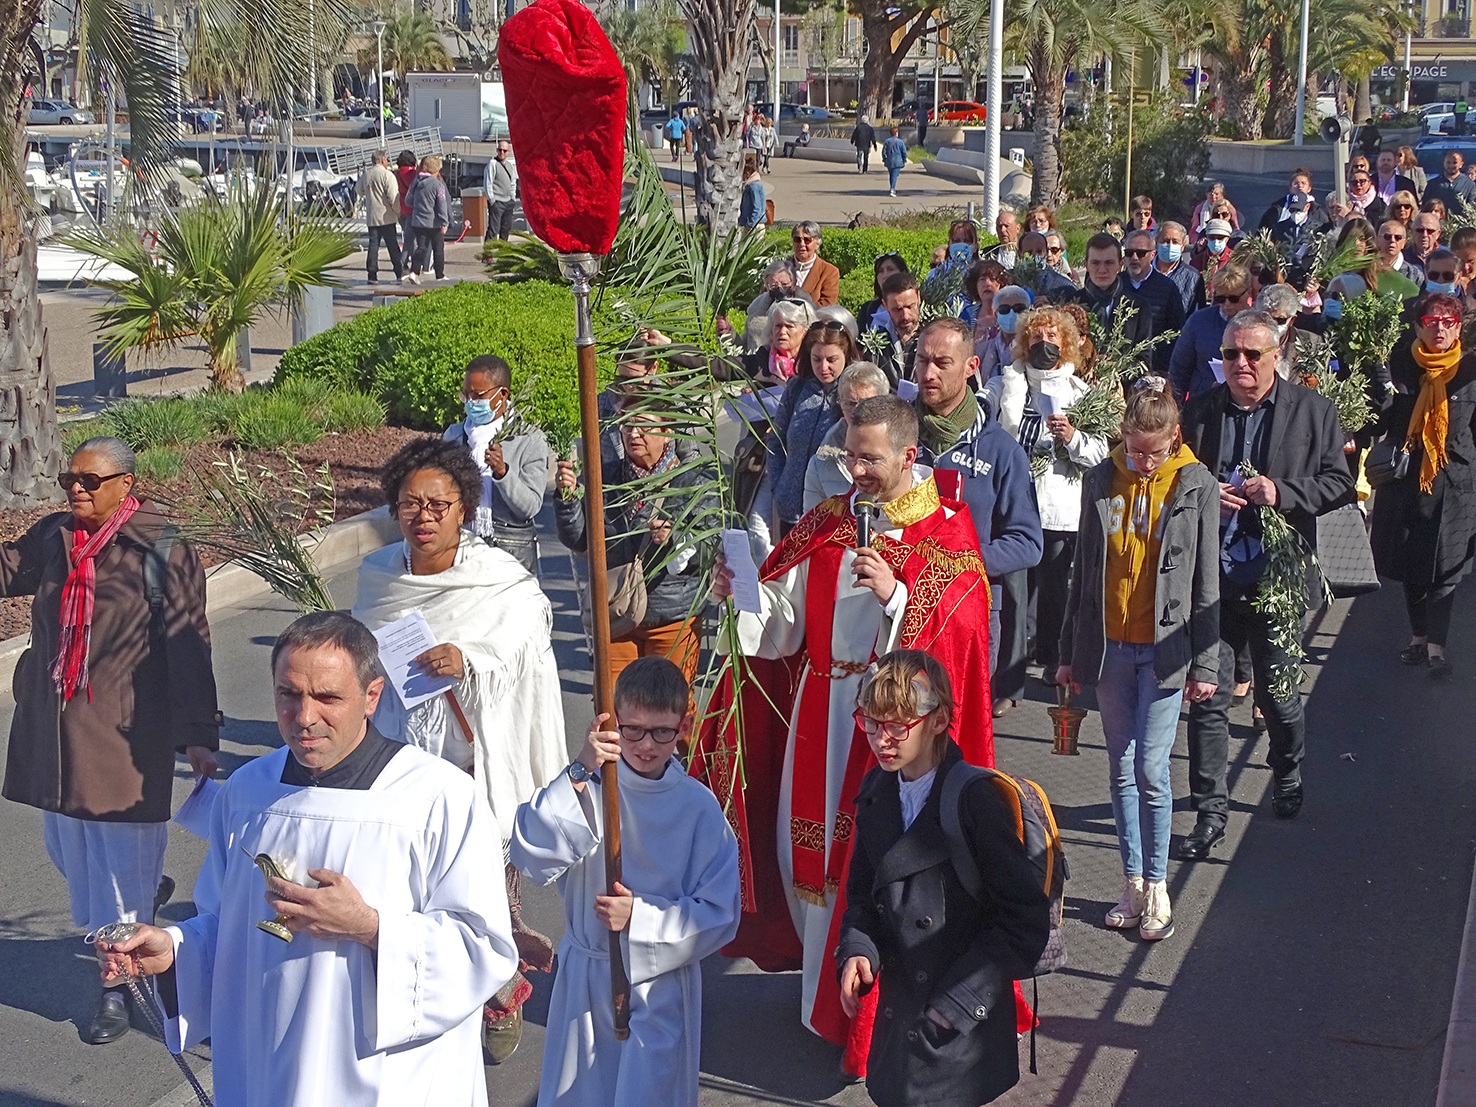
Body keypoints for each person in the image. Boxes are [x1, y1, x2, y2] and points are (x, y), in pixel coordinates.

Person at [691, 394, 1000, 1077]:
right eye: (848, 455)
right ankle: (821, 1001)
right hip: (820, 712)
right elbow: (784, 625)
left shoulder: (944, 530)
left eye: (870, 458)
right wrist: (741, 591)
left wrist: (897, 596)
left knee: (872, 870)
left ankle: (870, 1014)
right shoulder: (828, 521)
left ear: (908, 455)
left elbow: (967, 625)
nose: (855, 470)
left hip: (890, 732)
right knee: (806, 860)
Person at [95, 611, 520, 1105]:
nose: (304, 717)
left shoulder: (438, 797)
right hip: (266, 1062)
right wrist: (173, 949)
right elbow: (226, 924)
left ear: (372, 697)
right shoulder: (248, 792)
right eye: (289, 694)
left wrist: (370, 927)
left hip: (387, 1075)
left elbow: (482, 947)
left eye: (328, 697)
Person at [1, 436, 218, 1044]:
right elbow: (8, 569)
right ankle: (142, 903)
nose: (76, 488)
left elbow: (188, 642)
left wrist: (199, 734)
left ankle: (118, 989)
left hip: (125, 744)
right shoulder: (56, 537)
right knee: (69, 857)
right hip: (57, 738)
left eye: (90, 480)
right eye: (70, 477)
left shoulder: (160, 545)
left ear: (125, 483)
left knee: (117, 877)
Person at [353, 438, 565, 1059]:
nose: (423, 516)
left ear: (464, 508)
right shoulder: (377, 576)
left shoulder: (501, 581)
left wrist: (468, 662)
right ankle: (424, 996)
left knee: (486, 890)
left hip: (477, 759)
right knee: (414, 888)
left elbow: (524, 643)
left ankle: (501, 992)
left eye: (437, 504)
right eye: (410, 503)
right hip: (402, 759)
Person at [511, 657, 740, 1107]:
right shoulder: (594, 787)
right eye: (632, 729)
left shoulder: (699, 808)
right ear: (613, 722)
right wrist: (579, 770)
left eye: (661, 731)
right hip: (588, 976)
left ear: (684, 725)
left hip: (660, 987)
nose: (646, 745)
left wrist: (643, 919)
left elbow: (720, 913)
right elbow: (530, 855)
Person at [836, 651, 1050, 1107]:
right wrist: (858, 948)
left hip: (958, 1029)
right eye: (870, 723)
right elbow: (862, 895)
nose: (880, 739)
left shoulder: (975, 801)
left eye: (896, 725)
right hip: (903, 1018)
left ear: (937, 721)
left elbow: (1023, 921)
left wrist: (956, 1006)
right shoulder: (876, 791)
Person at [1177, 310, 1354, 859]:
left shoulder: (1312, 411)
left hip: (1276, 576)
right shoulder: (1202, 411)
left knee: (1278, 697)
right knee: (1207, 700)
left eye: (1253, 354)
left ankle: (1288, 768)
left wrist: (1281, 493)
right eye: (1231, 355)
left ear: (1277, 355)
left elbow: (1339, 483)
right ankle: (1210, 812)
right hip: (1214, 579)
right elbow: (1176, 476)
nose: (1242, 364)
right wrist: (1208, 495)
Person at [1058, 381, 1220, 941]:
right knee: (1119, 769)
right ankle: (1131, 882)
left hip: (1165, 649)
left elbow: (1206, 582)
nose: (1143, 461)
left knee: (1152, 770)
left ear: (1175, 438)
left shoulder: (1195, 483)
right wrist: (1066, 654)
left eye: (1153, 451)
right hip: (1109, 646)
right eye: (1133, 449)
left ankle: (1158, 884)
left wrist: (1207, 665)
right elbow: (1081, 571)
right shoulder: (1102, 477)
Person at [917, 318, 1043, 719]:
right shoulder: (897, 436)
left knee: (955, 732)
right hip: (896, 603)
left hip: (968, 609)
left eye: (942, 362)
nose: (928, 373)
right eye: (921, 361)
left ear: (972, 366)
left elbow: (1028, 543)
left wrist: (964, 560)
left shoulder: (1002, 452)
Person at [556, 387, 715, 688]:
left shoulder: (695, 480)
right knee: (612, 710)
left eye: (644, 425)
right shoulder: (605, 478)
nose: (634, 434)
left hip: (672, 617)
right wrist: (567, 499)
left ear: (667, 431)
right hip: (616, 613)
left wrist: (675, 540)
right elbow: (579, 540)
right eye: (627, 426)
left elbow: (710, 548)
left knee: (672, 713)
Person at [988, 306, 1110, 687]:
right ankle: (1008, 674)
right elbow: (983, 414)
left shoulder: (1080, 393)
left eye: (1052, 337)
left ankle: (1051, 659)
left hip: (1058, 509)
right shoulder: (1006, 381)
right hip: (1012, 505)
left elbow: (1100, 454)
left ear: (1068, 344)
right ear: (1024, 342)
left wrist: (1072, 437)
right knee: (1013, 594)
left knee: (1055, 590)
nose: (1044, 343)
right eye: (1036, 337)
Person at [1371, 292, 1476, 680]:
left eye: (1449, 323)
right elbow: (1381, 420)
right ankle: (1418, 637)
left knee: (1447, 569)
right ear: (1418, 327)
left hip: (1456, 483)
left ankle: (1437, 649)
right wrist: (1381, 390)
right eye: (1432, 322)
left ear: (1459, 326)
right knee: (1411, 562)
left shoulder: (1471, 369)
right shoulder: (1400, 363)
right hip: (1407, 479)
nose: (1440, 330)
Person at [442, 355, 549, 573]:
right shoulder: (454, 436)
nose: (470, 402)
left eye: (478, 395)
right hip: (462, 549)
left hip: (512, 552)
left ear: (502, 395)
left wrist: (503, 472)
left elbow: (529, 507)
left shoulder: (529, 439)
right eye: (466, 395)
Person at [764, 321, 857, 537]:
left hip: (830, 515)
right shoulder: (796, 388)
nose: (823, 367)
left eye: (831, 360)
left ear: (846, 356)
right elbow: (776, 441)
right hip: (790, 511)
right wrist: (779, 487)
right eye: (817, 359)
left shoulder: (852, 394)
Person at [805, 361, 891, 510]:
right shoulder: (821, 461)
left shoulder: (899, 451)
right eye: (850, 403)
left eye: (866, 403)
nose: (857, 411)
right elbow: (812, 525)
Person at [1168, 261, 1255, 400]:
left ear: (1249, 293)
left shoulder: (1260, 326)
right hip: (1203, 403)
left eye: (1234, 298)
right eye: (1220, 298)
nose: (1227, 305)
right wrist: (1175, 410)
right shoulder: (1198, 321)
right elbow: (1178, 370)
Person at [1121, 228, 1187, 377]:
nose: (1135, 258)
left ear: (1152, 254)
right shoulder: (1116, 284)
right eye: (1129, 253)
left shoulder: (1167, 288)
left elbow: (1176, 332)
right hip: (1119, 370)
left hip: (1154, 370)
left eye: (1141, 253)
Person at [743, 258, 817, 351]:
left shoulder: (807, 310)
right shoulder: (756, 308)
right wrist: (729, 333)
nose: (780, 289)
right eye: (774, 285)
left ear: (793, 284)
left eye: (784, 284)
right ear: (767, 286)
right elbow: (744, 343)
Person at [867, 270, 924, 384]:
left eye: (910, 306)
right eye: (897, 309)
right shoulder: (875, 346)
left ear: (918, 298)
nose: (905, 315)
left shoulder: (935, 337)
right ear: (885, 305)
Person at [357, 149, 404, 283]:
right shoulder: (387, 175)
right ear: (383, 160)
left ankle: (372, 274)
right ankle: (399, 271)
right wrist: (398, 211)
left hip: (372, 216)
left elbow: (358, 189)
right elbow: (393, 196)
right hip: (387, 216)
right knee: (392, 246)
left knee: (373, 246)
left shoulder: (367, 174)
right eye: (387, 160)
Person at [748, 295, 818, 385]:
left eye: (789, 326)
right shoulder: (761, 361)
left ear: (806, 330)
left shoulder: (814, 363)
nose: (782, 331)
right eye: (778, 326)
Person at [406, 155, 450, 283]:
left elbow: (408, 200)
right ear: (435, 170)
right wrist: (444, 222)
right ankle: (440, 275)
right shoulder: (438, 185)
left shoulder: (416, 182)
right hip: (434, 223)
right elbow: (442, 204)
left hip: (418, 221)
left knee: (421, 247)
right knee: (438, 249)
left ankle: (414, 272)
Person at [1155, 220, 1206, 315]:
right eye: (1165, 241)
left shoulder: (1193, 278)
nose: (1170, 246)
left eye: (1175, 242)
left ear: (1182, 246)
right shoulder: (1145, 271)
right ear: (1156, 243)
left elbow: (1196, 315)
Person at [792, 220, 841, 306]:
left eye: (807, 240)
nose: (802, 244)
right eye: (797, 239)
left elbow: (827, 305)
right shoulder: (780, 268)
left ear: (817, 244)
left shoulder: (829, 271)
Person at [857, 252, 908, 333]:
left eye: (890, 269)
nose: (885, 275)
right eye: (880, 271)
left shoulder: (916, 305)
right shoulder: (867, 309)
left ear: (902, 273)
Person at [1258, 168, 1322, 231]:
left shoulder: (1317, 212)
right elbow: (1262, 232)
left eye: (1303, 183)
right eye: (1296, 183)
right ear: (1290, 188)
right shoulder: (1276, 210)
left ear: (1309, 188)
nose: (1300, 186)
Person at [483, 139, 518, 242]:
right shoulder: (492, 164)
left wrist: (513, 198)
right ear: (497, 150)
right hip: (497, 202)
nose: (502, 152)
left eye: (504, 150)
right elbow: (488, 182)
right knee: (493, 230)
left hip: (508, 202)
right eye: (500, 150)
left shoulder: (510, 166)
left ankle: (503, 255)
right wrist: (491, 199)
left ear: (508, 152)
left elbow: (513, 182)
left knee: (505, 229)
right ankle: (487, 256)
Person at [1424, 150, 1476, 218]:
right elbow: (1425, 206)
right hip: (1438, 224)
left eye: (1455, 163)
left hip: (1461, 225)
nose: (1451, 165)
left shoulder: (1470, 185)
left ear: (1461, 164)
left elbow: (1472, 208)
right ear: (1444, 163)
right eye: (1448, 162)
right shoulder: (1433, 184)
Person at [1378, 219, 1425, 284]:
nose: (1392, 240)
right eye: (1387, 236)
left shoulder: (1415, 275)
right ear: (1378, 240)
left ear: (1404, 243)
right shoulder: (1367, 269)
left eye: (1398, 237)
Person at [1190, 217, 1234, 281]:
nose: (1216, 241)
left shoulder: (1236, 259)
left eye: (1220, 238)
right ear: (1207, 237)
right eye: (1212, 237)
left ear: (1227, 239)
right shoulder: (1196, 261)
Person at [394, 148, 418, 243]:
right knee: (414, 239)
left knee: (407, 236)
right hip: (412, 209)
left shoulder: (396, 174)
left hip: (401, 209)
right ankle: (414, 257)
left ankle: (406, 257)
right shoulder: (414, 174)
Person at [739, 151, 767, 229]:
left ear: (747, 173)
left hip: (754, 225)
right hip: (755, 224)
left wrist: (750, 224)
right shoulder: (754, 185)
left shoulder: (753, 186)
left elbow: (757, 207)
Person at [881, 124, 908, 196]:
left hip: (889, 161)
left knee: (891, 175)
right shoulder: (900, 142)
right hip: (898, 161)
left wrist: (884, 159)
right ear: (896, 133)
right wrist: (904, 160)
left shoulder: (887, 141)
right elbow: (904, 152)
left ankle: (892, 187)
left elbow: (884, 151)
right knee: (894, 175)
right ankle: (892, 189)